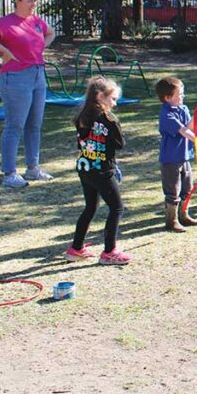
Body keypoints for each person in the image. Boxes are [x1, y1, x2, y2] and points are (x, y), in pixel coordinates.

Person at [65, 77, 131, 265]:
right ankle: (109, 251)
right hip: (102, 169)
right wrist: (114, 126)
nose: (115, 103)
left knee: (90, 207)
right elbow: (120, 144)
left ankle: (76, 248)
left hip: (85, 166)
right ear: (100, 96)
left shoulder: (82, 116)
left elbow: (82, 141)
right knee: (116, 208)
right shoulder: (108, 120)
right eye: (113, 99)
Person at [0, 0, 57, 188]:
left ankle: (32, 168)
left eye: (35, 0)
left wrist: (41, 45)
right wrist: (4, 53)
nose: (34, 4)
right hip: (15, 77)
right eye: (30, 1)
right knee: (15, 125)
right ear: (18, 1)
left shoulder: (36, 21)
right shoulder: (5, 23)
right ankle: (9, 173)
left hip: (37, 74)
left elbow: (51, 33)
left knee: (34, 124)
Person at [155, 77, 197, 232]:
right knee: (173, 190)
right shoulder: (166, 114)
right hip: (171, 159)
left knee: (187, 187)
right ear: (167, 98)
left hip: (184, 156)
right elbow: (183, 131)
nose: (182, 97)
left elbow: (188, 126)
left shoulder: (182, 108)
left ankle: (184, 215)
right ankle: (172, 221)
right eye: (179, 95)